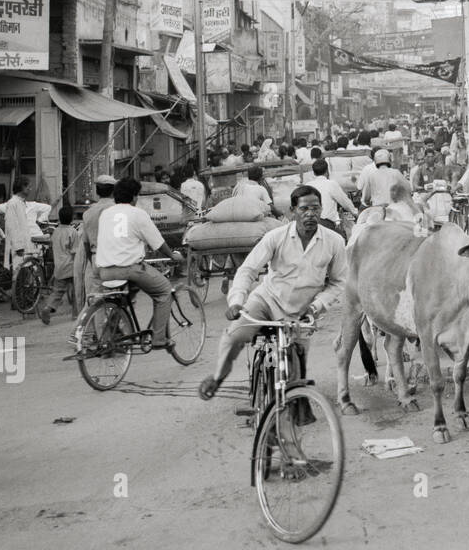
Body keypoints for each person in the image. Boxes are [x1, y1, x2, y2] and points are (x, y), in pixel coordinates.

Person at [198, 185, 348, 401]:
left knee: (295, 375)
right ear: (292, 211)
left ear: (322, 209)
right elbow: (248, 270)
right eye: (304, 209)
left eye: (315, 208)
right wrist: (236, 301)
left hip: (300, 313)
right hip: (266, 302)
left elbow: (338, 282)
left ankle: (284, 420)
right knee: (234, 337)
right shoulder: (276, 237)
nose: (310, 214)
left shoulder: (334, 242)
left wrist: (316, 306)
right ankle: (218, 377)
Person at [94, 177, 177, 350]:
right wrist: (173, 256)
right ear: (133, 197)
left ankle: (113, 333)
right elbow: (158, 243)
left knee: (126, 297)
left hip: (104, 270)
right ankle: (159, 338)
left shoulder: (106, 214)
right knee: (163, 290)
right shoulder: (137, 214)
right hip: (129, 269)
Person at [0, 175, 40, 270]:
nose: (30, 189)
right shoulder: (14, 203)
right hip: (18, 247)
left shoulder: (20, 203)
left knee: (23, 272)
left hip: (23, 244)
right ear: (22, 187)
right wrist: (18, 247)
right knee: (19, 275)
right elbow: (12, 226)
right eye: (28, 186)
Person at [75, 173, 117, 308]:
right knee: (117, 300)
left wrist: (92, 260)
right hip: (114, 260)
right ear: (113, 191)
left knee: (97, 303)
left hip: (95, 259)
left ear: (97, 191)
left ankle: (98, 328)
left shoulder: (88, 213)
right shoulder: (117, 209)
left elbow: (86, 243)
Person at [38, 201, 80, 324]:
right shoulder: (73, 232)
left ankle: (47, 308)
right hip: (71, 266)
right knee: (76, 290)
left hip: (59, 267)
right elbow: (75, 252)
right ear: (72, 218)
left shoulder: (55, 231)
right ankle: (75, 314)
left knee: (57, 292)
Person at [310, 157, 358, 233]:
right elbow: (345, 202)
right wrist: (355, 213)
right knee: (342, 240)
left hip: (310, 223)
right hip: (326, 225)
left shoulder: (308, 185)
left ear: (314, 173)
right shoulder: (331, 184)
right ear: (327, 171)